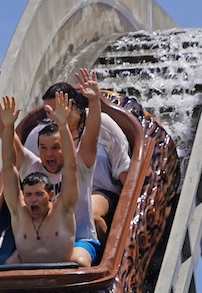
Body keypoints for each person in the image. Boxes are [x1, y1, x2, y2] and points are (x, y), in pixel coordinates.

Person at [0, 67, 101, 266]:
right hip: (42, 243)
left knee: (78, 264)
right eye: (44, 148)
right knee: (7, 268)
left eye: (56, 148)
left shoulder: (79, 166)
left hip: (79, 239)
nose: (49, 154)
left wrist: (94, 101)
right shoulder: (33, 168)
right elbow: (5, 133)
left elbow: (92, 137)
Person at [25, 77, 131, 240]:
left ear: (72, 105)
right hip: (58, 194)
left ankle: (99, 255)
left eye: (58, 110)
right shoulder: (40, 135)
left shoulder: (101, 124)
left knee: (91, 216)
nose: (53, 117)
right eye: (48, 112)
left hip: (99, 192)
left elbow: (125, 172)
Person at [0, 92, 78, 265]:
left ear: (50, 196)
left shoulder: (63, 208)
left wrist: (63, 126)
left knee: (81, 260)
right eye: (28, 195)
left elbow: (71, 167)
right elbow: (8, 167)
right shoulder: (20, 213)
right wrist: (7, 127)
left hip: (64, 275)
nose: (33, 200)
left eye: (38, 195)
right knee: (8, 265)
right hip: (28, 277)